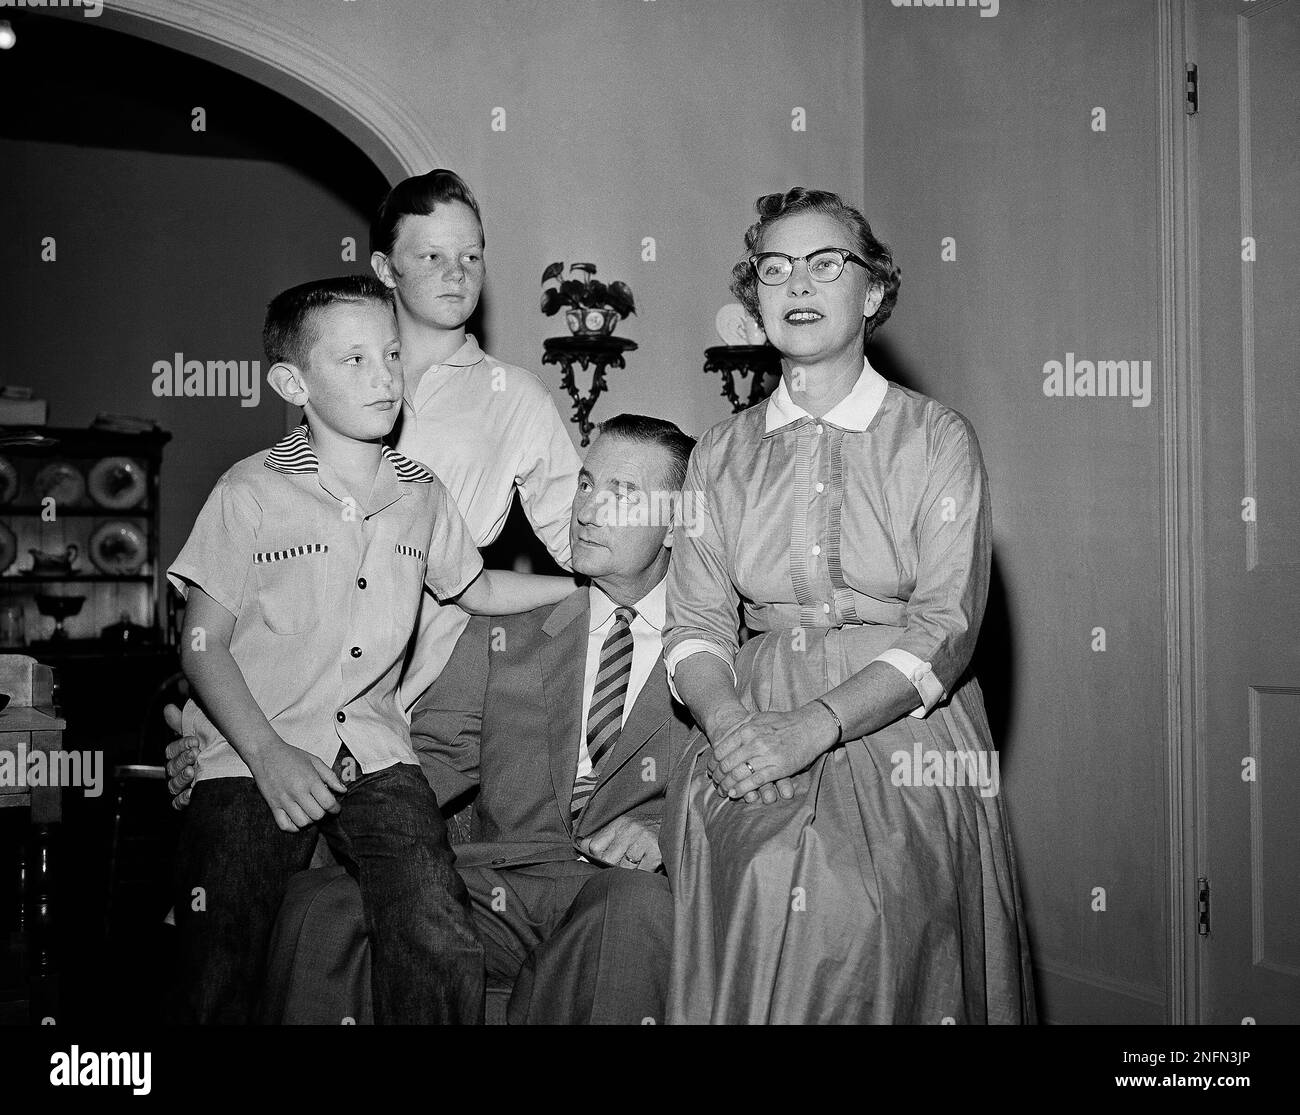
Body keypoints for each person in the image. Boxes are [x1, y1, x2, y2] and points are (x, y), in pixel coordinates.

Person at [168, 415, 695, 1024]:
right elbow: (423, 760)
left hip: (616, 893)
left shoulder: (719, 649)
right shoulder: (508, 633)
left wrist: (666, 833)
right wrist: (237, 768)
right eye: (584, 483)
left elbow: (745, 791)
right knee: (327, 904)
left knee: (632, 909)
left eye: (624, 494)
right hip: (495, 890)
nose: (587, 509)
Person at [662, 188, 1036, 1024]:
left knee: (859, 916)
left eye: (826, 264)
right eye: (775, 267)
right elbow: (693, 622)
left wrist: (816, 725)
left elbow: (946, 627)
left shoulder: (938, 439)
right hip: (745, 721)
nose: (798, 283)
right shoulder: (719, 453)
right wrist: (730, 727)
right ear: (754, 298)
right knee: (752, 886)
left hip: (899, 722)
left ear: (871, 293)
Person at [166, 275, 574, 1024]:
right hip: (253, 749)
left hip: (378, 753)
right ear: (293, 381)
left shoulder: (422, 492)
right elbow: (202, 645)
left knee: (435, 921)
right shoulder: (248, 491)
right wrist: (268, 754)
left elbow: (477, 589)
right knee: (220, 943)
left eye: (390, 354)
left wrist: (585, 588)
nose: (384, 375)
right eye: (353, 361)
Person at [370, 169, 583, 708]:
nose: (457, 274)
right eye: (432, 257)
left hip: (433, 672)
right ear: (385, 269)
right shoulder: (347, 378)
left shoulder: (515, 395)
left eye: (471, 257)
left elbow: (580, 532)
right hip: (317, 653)